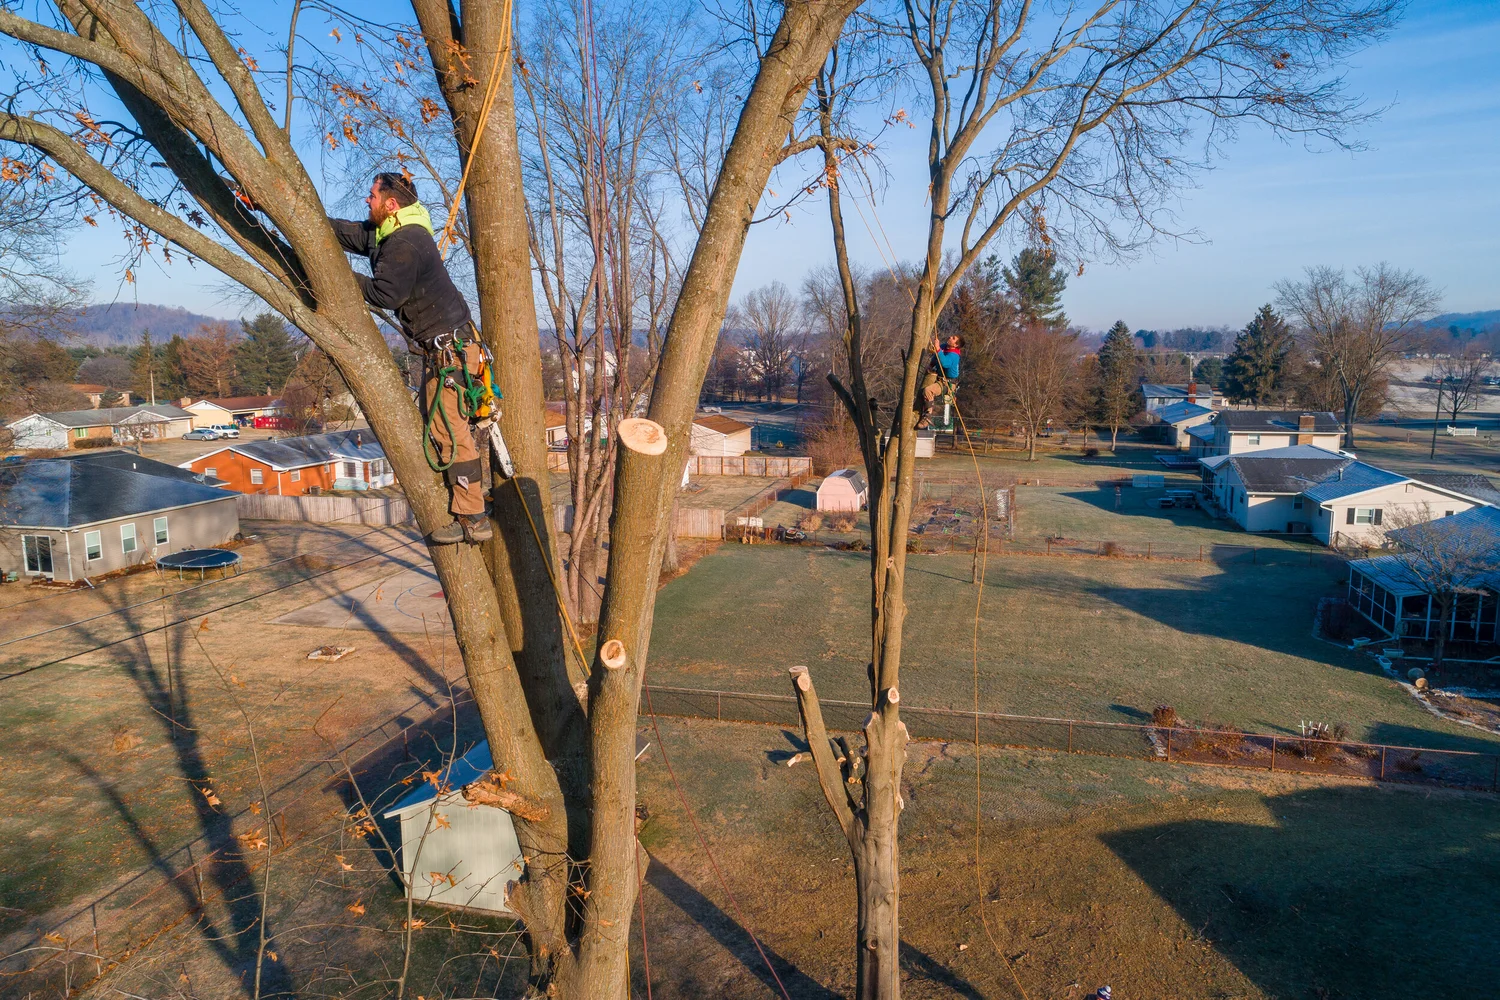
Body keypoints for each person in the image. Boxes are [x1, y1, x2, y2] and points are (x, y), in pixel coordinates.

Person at [329, 171, 492, 545]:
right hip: (446, 350)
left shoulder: (405, 243)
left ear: (390, 204)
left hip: (451, 353)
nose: (366, 201)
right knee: (443, 428)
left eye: (372, 196)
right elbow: (346, 232)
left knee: (448, 431)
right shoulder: (389, 231)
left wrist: (339, 276)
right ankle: (469, 505)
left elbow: (386, 294)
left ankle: (473, 516)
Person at [917, 333, 962, 428]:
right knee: (921, 391)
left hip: (948, 383)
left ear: (956, 345)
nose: (950, 337)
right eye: (951, 336)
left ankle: (927, 415)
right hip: (939, 377)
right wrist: (931, 365)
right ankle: (920, 410)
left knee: (928, 390)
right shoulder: (944, 347)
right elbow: (936, 357)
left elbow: (945, 363)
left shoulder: (954, 355)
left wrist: (937, 348)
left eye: (953, 338)